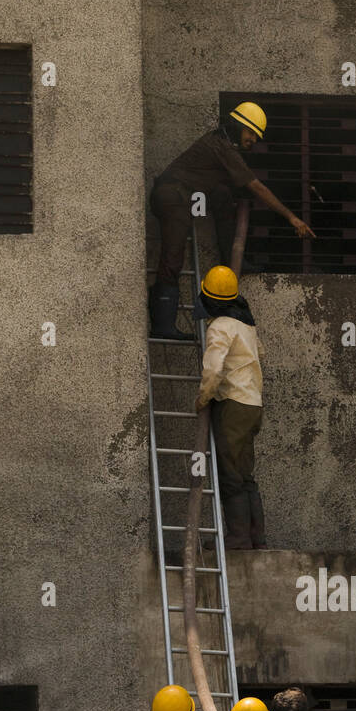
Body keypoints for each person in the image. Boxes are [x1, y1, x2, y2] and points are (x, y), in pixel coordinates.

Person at [147, 101, 315, 340]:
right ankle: (163, 325)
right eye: (251, 133)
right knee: (173, 257)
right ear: (238, 126)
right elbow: (257, 186)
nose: (254, 140)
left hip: (182, 195)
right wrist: (292, 218)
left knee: (222, 193)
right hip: (172, 197)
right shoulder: (222, 147)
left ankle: (233, 257)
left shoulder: (222, 143)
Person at [193, 265, 266, 550]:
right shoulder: (245, 325)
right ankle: (256, 538)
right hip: (252, 403)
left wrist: (203, 398)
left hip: (233, 405)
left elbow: (213, 369)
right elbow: (261, 353)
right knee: (245, 474)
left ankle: (237, 538)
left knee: (230, 475)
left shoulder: (219, 327)